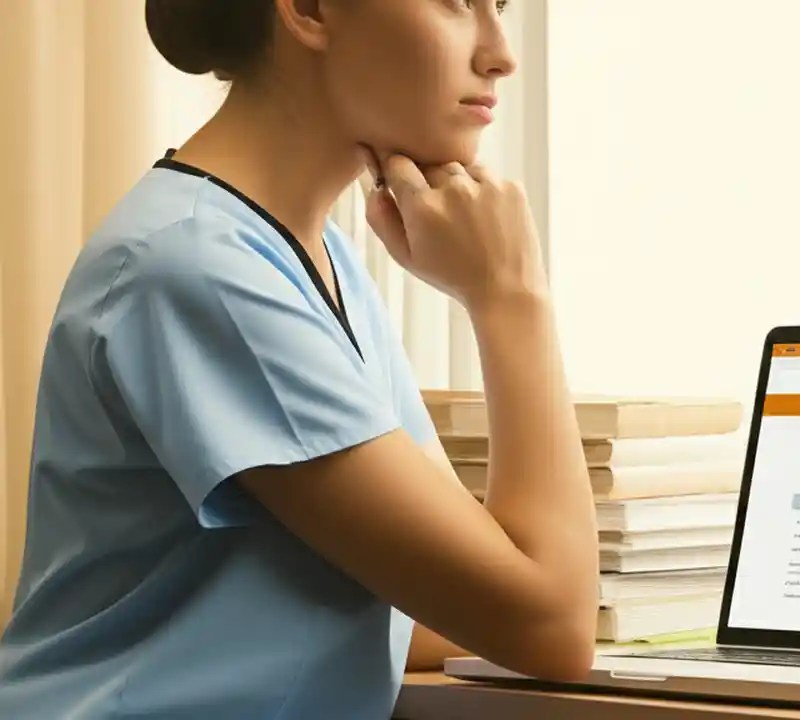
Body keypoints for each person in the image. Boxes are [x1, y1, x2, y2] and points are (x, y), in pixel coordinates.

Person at [0, 1, 600, 717]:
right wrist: (511, 296)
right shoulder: (198, 268)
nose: (501, 54)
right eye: (457, 2)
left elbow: (440, 597)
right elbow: (548, 627)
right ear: (311, 9)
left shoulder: (314, 258)